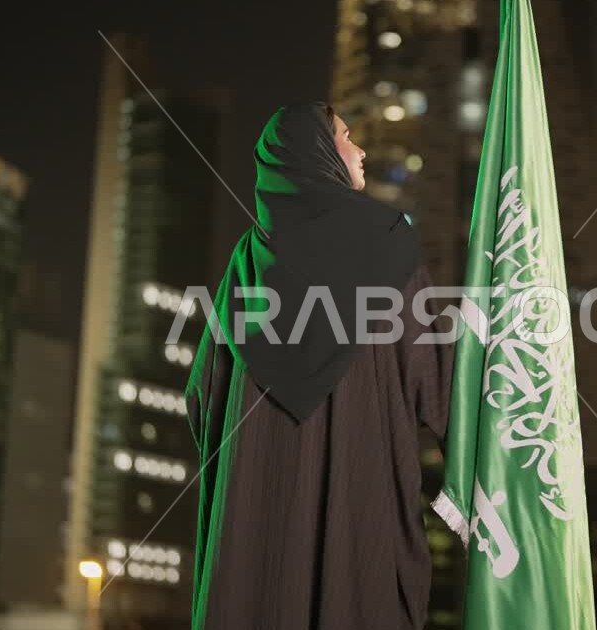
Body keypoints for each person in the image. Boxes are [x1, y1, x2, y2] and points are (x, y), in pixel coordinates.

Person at [184, 101, 454, 629]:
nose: (361, 150)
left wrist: (260, 462)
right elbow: (437, 385)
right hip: (362, 519)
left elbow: (201, 400)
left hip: (254, 536)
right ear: (316, 154)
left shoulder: (245, 263)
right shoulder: (387, 243)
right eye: (347, 136)